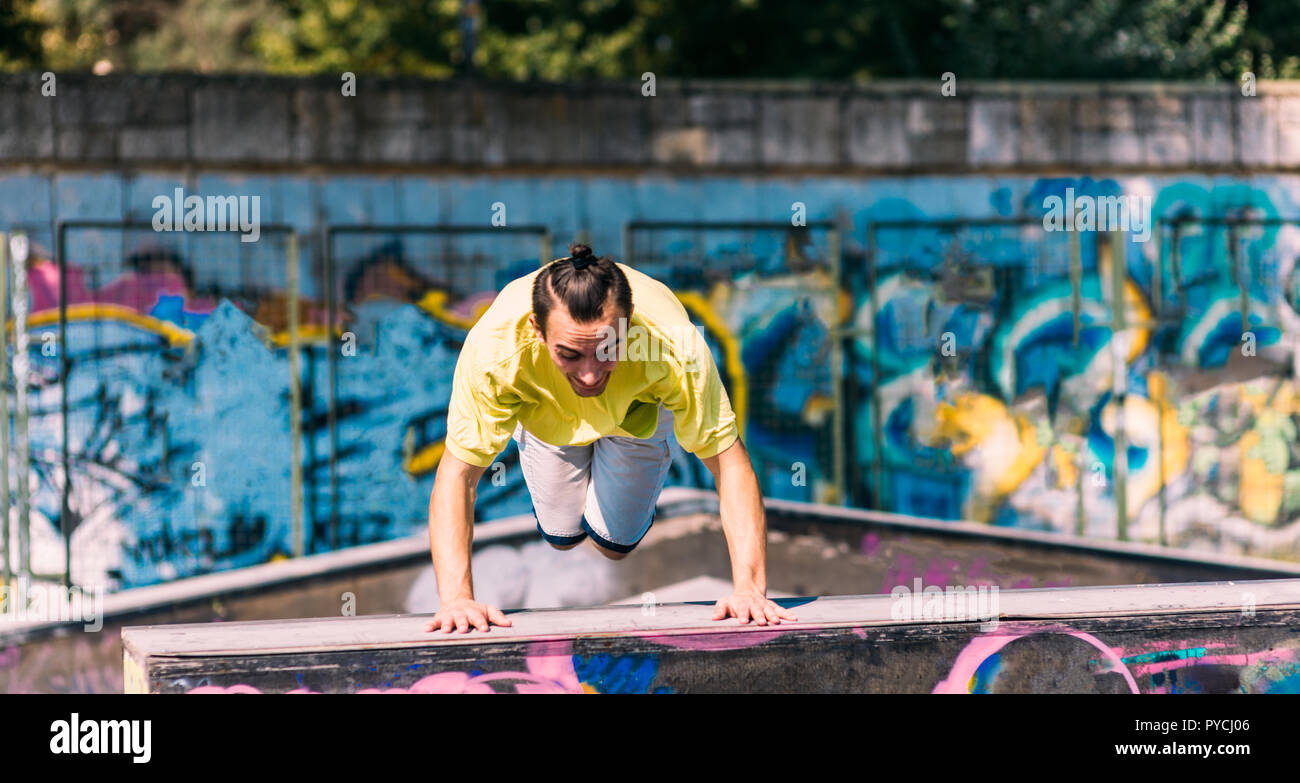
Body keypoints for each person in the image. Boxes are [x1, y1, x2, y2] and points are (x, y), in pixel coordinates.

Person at [426, 243, 797, 633]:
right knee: (563, 536)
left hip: (635, 419)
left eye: (607, 349)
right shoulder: (495, 351)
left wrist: (750, 590)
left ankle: (626, 457)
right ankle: (544, 439)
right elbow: (458, 475)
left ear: (629, 323)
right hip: (550, 417)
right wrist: (456, 600)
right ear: (537, 329)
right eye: (569, 354)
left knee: (612, 542)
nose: (589, 375)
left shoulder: (672, 345)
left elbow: (729, 462)